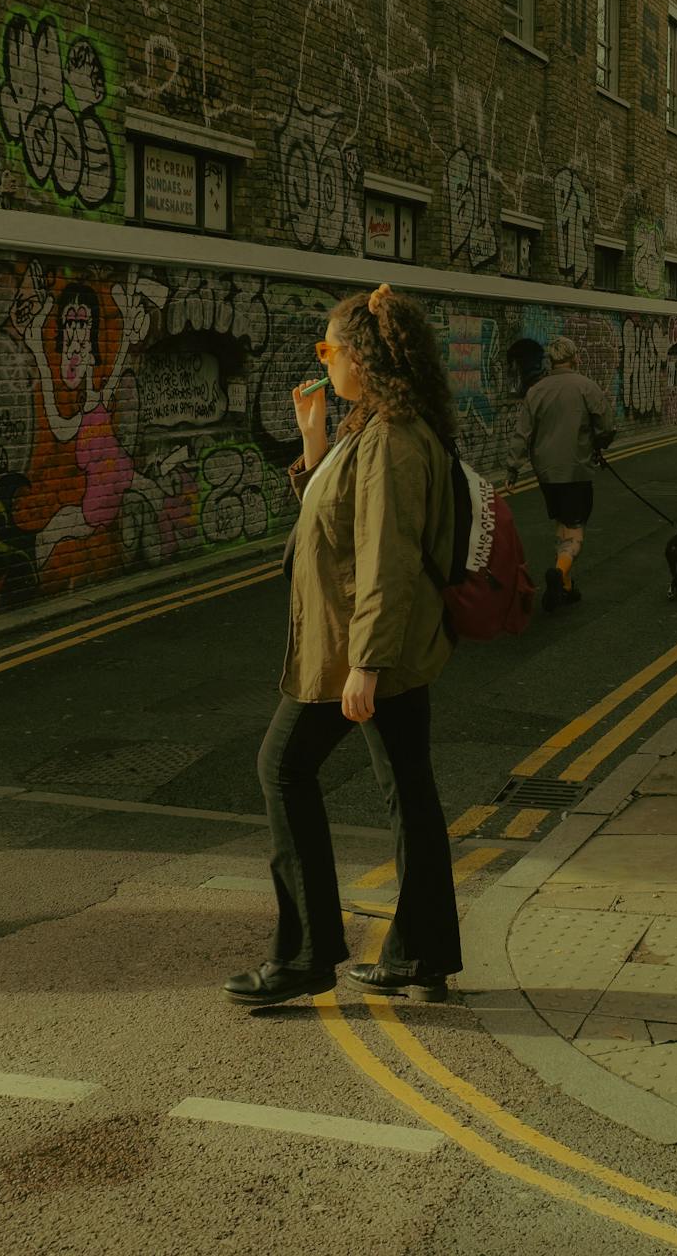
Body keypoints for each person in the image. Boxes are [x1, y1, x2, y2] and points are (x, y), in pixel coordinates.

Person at [224, 283, 462, 1007]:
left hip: (359, 651)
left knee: (282, 770)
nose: (322, 360)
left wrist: (365, 664)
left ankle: (305, 955)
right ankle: (423, 955)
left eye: (328, 349)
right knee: (409, 794)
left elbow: (383, 557)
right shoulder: (378, 426)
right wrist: (313, 445)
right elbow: (335, 524)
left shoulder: (390, 439)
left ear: (362, 356)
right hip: (390, 644)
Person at [506, 335, 615, 611]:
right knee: (575, 531)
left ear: (551, 361)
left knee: (562, 524)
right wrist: (598, 445)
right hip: (576, 470)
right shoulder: (586, 387)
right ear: (575, 357)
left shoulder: (536, 391)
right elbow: (606, 426)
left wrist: (512, 469)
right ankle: (558, 571)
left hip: (546, 473)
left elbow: (522, 433)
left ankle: (566, 586)